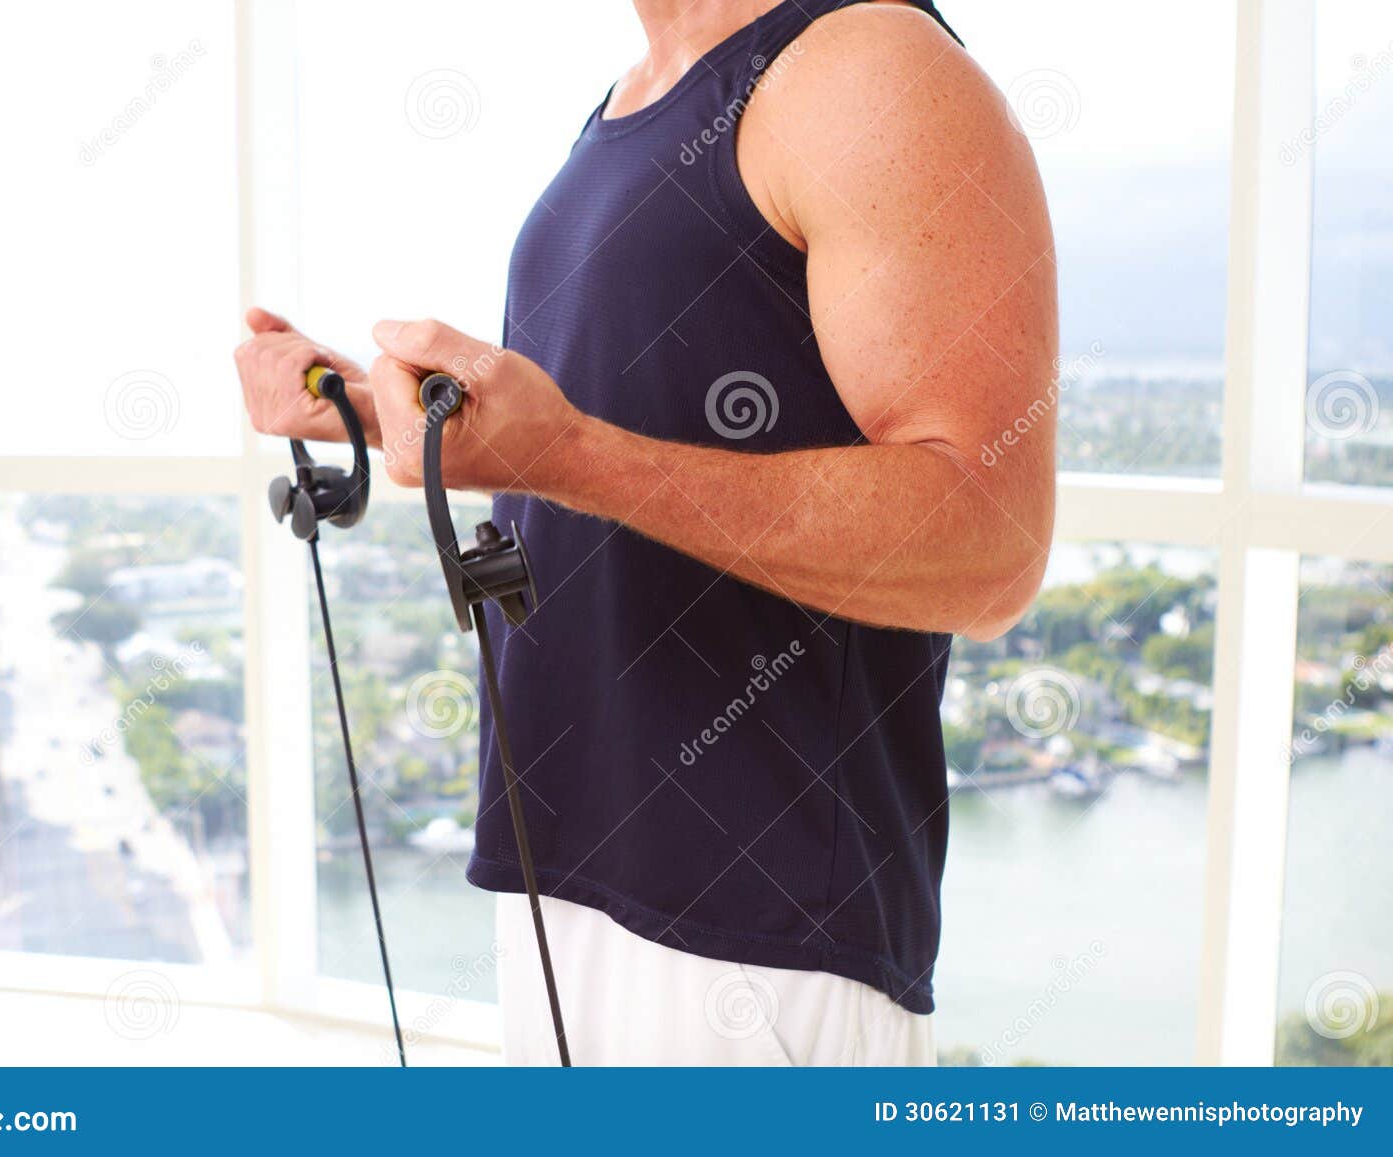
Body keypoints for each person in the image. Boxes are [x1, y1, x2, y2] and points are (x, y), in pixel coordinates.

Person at [234, 0, 1056, 1065]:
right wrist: (367, 404)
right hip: (568, 876)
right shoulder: (640, 91)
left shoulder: (870, 66)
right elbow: (613, 440)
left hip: (761, 940)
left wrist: (566, 453)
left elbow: (986, 543)